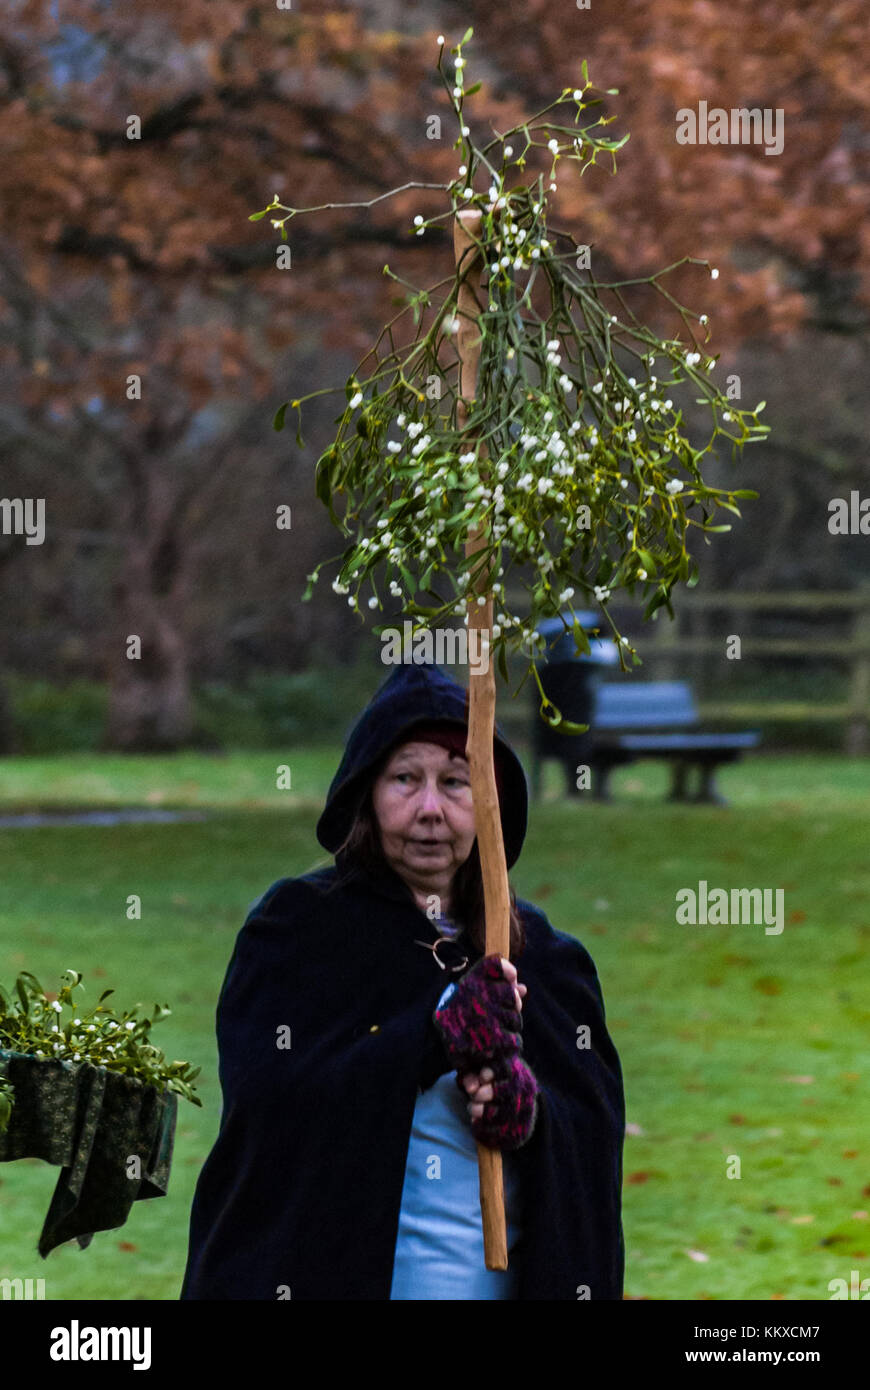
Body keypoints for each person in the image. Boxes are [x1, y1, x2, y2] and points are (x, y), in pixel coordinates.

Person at [180, 661, 625, 1300]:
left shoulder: (544, 958)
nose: (429, 810)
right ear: (367, 791)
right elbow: (273, 1113)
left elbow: (593, 1146)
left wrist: (532, 1114)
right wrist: (430, 1038)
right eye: (405, 779)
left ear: (491, 802)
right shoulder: (300, 932)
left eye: (456, 781)